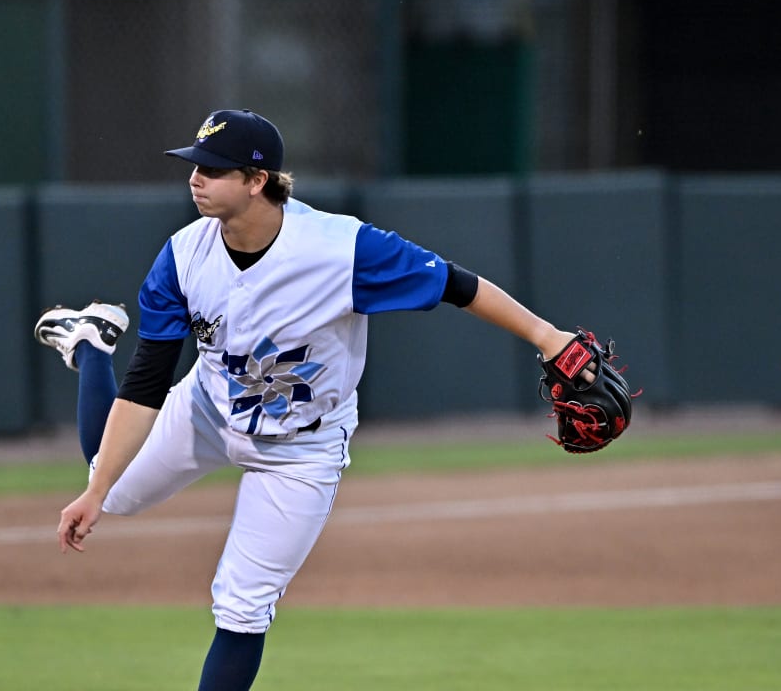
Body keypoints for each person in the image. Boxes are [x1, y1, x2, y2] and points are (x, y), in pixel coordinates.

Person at [37, 109, 590, 690]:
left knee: (242, 607)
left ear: (257, 180)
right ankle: (92, 346)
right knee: (112, 487)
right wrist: (96, 490)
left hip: (303, 448)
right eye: (193, 165)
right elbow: (148, 382)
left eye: (214, 169)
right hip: (206, 406)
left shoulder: (340, 248)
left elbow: (457, 284)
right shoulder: (181, 256)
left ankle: (90, 349)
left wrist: (549, 338)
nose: (195, 178)